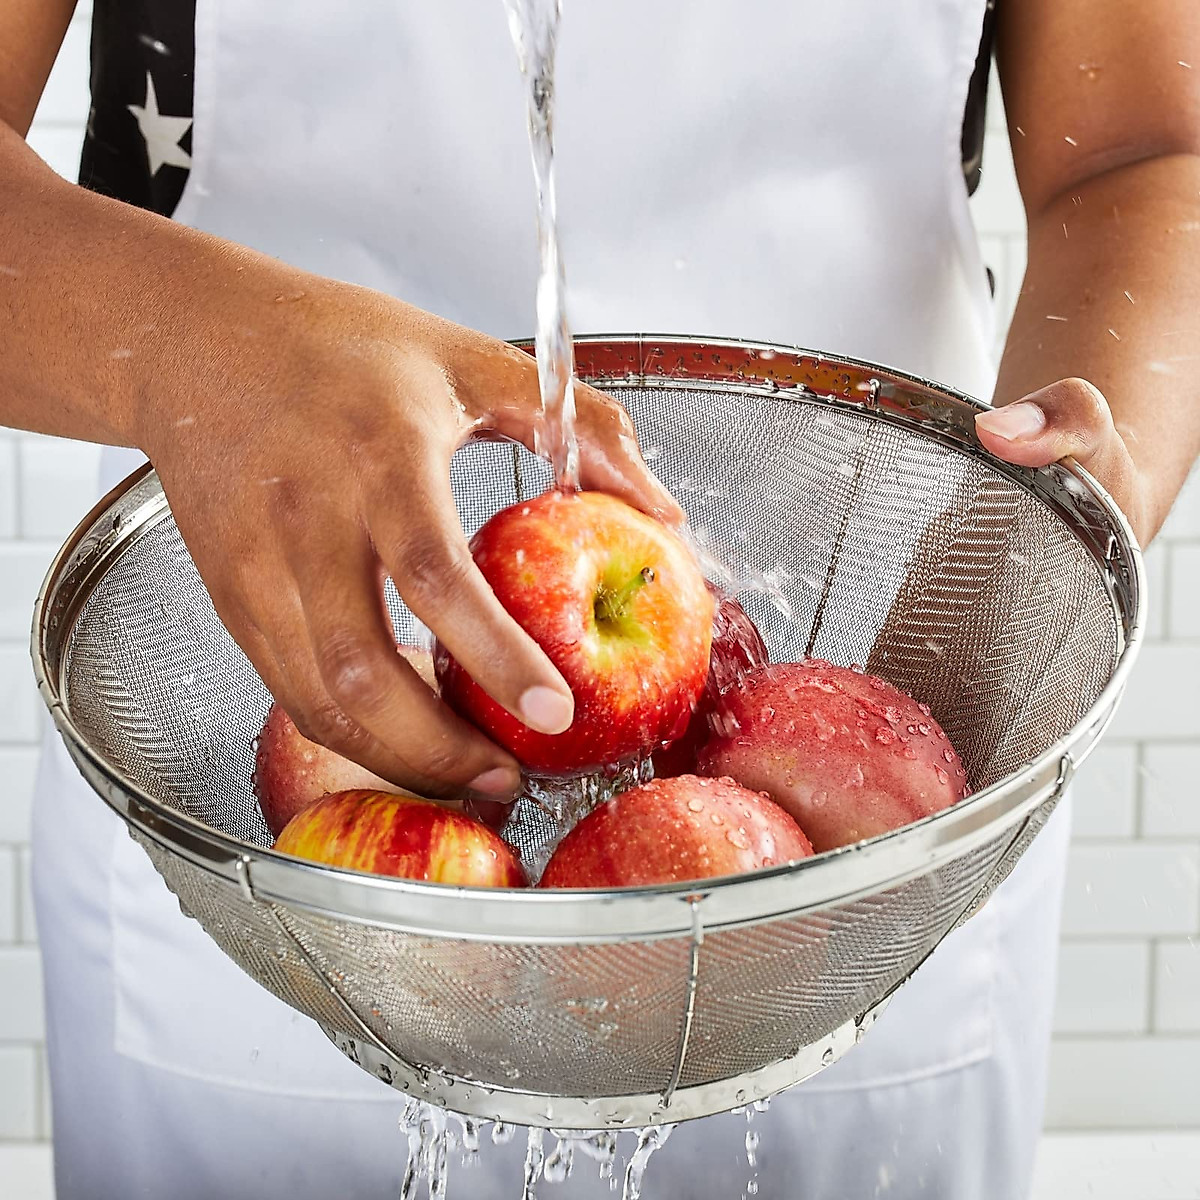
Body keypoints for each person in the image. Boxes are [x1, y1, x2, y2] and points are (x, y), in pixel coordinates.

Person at [3, 0, 1198, 1196]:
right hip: (283, 866)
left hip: (867, 840)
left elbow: (1147, 149)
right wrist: (186, 349)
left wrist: (1030, 554)